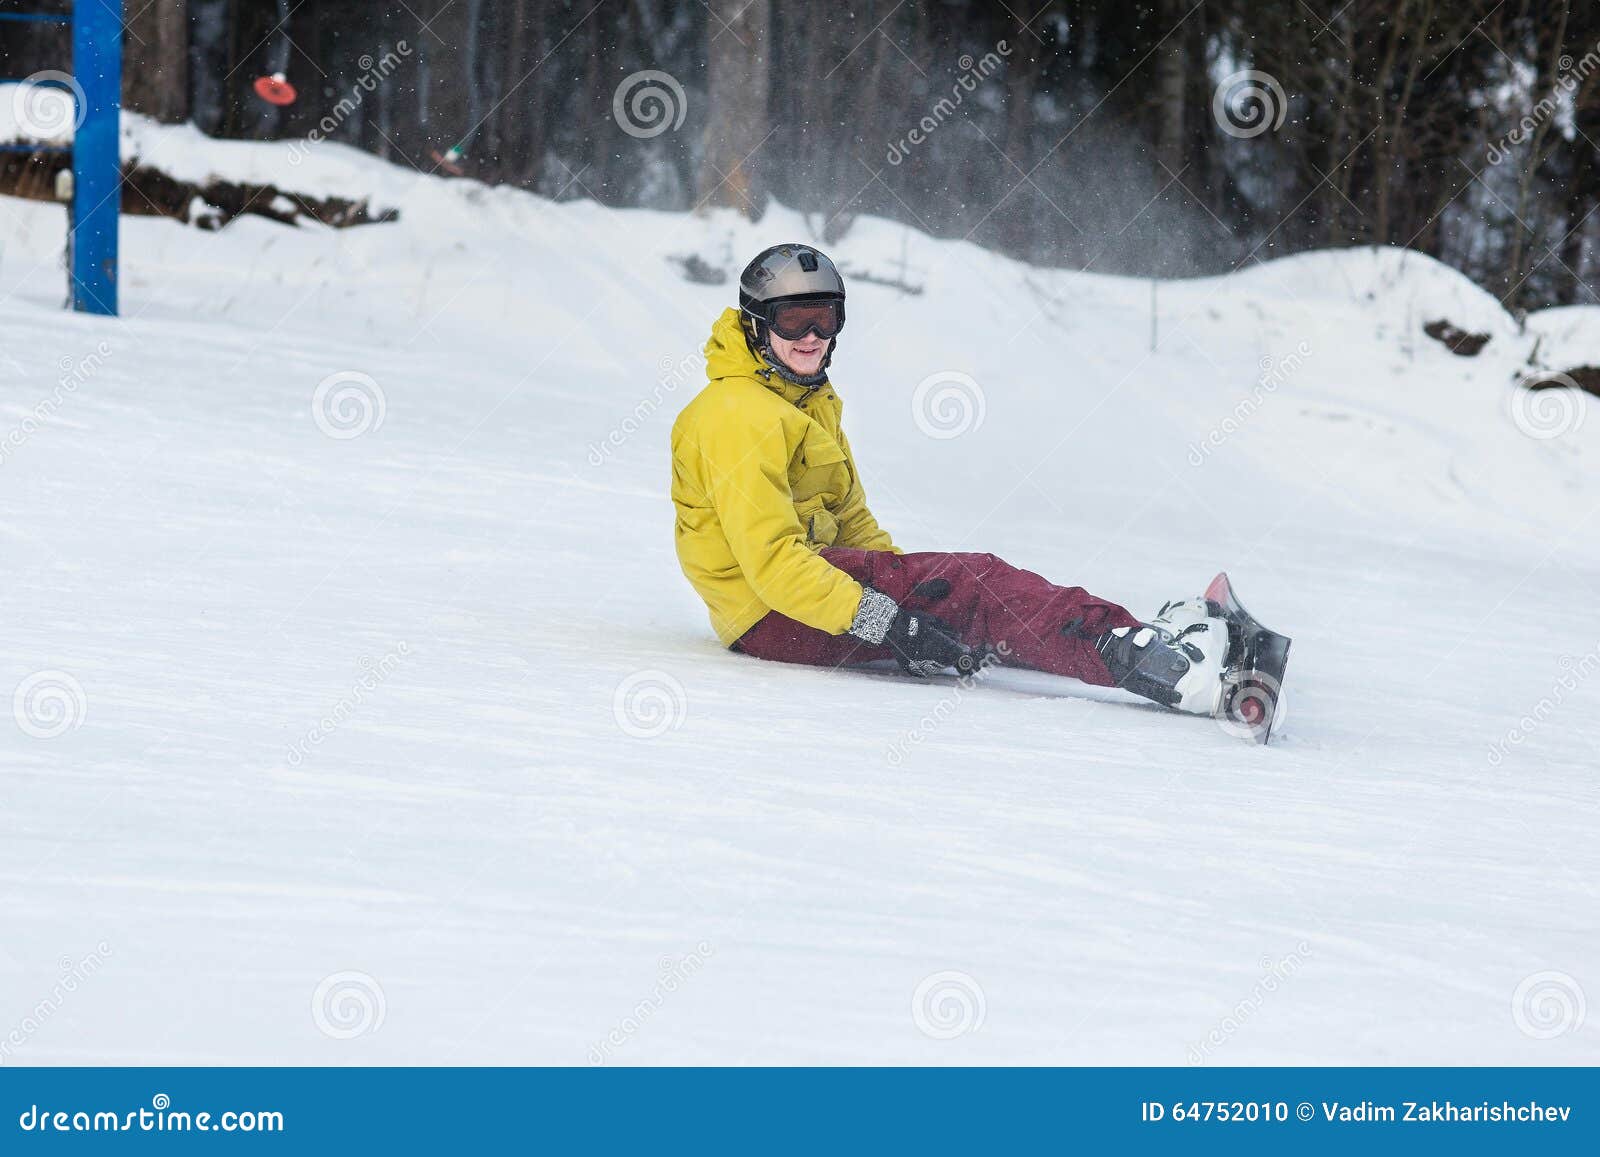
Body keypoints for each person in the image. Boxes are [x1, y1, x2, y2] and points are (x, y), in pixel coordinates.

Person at [670, 243, 1229, 715]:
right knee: (977, 585)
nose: (813, 335)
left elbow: (851, 520)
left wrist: (908, 597)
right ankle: (1168, 669)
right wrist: (883, 617)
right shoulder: (737, 416)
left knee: (963, 601)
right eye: (795, 319)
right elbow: (770, 564)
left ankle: (1135, 639)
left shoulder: (804, 398)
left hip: (807, 595)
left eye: (827, 317)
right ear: (756, 323)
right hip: (773, 614)